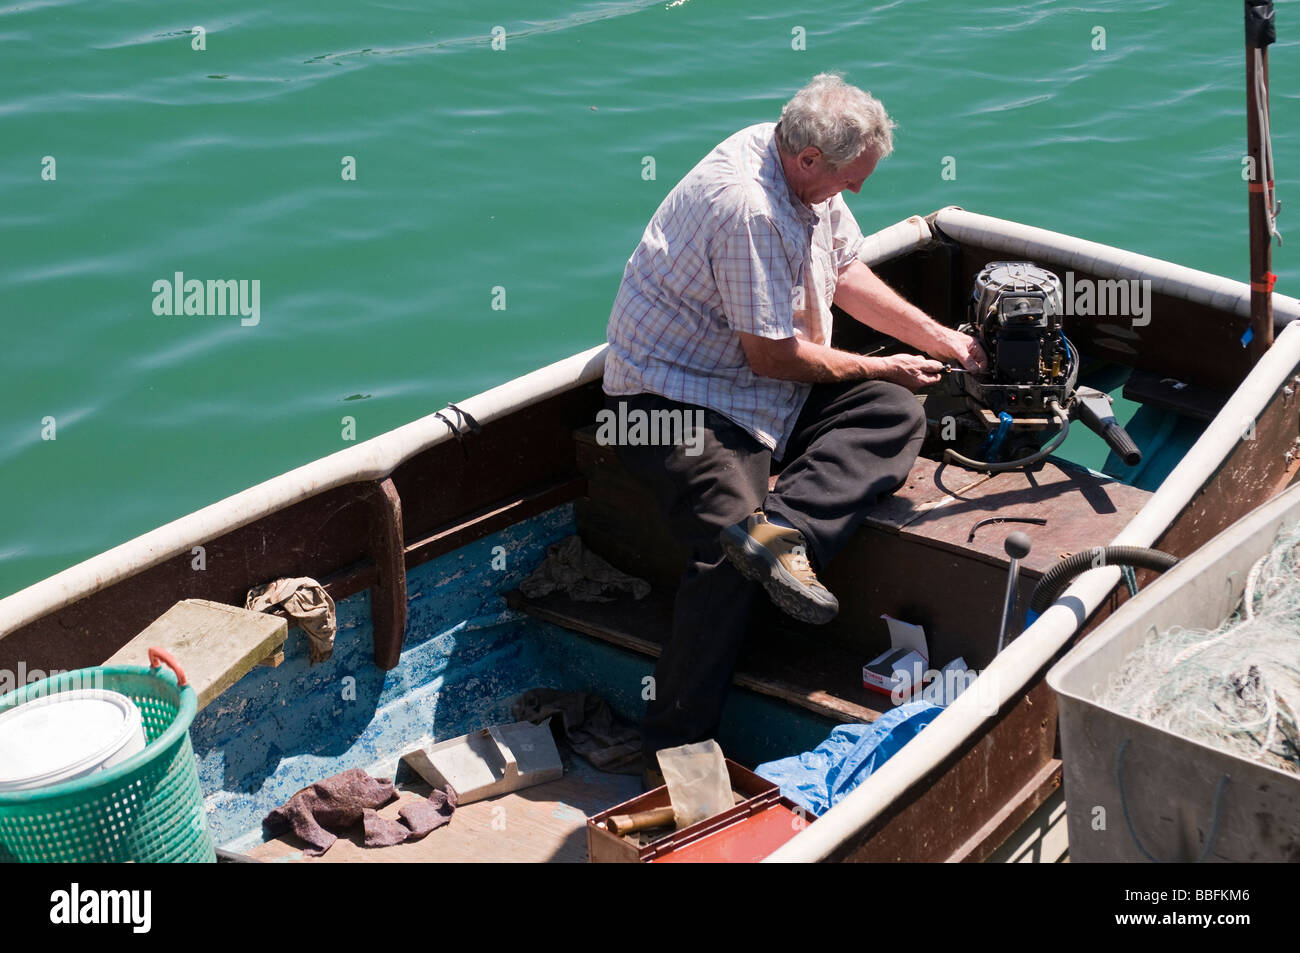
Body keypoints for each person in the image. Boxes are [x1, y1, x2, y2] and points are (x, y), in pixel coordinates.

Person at [601, 73, 985, 783]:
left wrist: (940, 342)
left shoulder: (802, 174)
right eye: (849, 178)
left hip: (762, 389)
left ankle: (782, 539)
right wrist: (881, 363)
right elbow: (772, 356)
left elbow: (843, 269)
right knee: (723, 555)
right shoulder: (747, 207)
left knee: (894, 409)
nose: (857, 193)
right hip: (674, 402)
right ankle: (674, 744)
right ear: (808, 159)